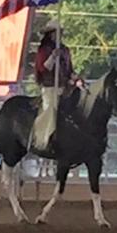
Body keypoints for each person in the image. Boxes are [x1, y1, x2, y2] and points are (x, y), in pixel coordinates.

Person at [32, 19, 78, 151]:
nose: (60, 35)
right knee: (50, 111)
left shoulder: (65, 50)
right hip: (50, 87)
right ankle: (45, 139)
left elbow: (70, 70)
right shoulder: (44, 50)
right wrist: (52, 57)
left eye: (61, 32)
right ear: (51, 34)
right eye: (57, 32)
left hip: (65, 87)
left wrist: (76, 79)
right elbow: (43, 68)